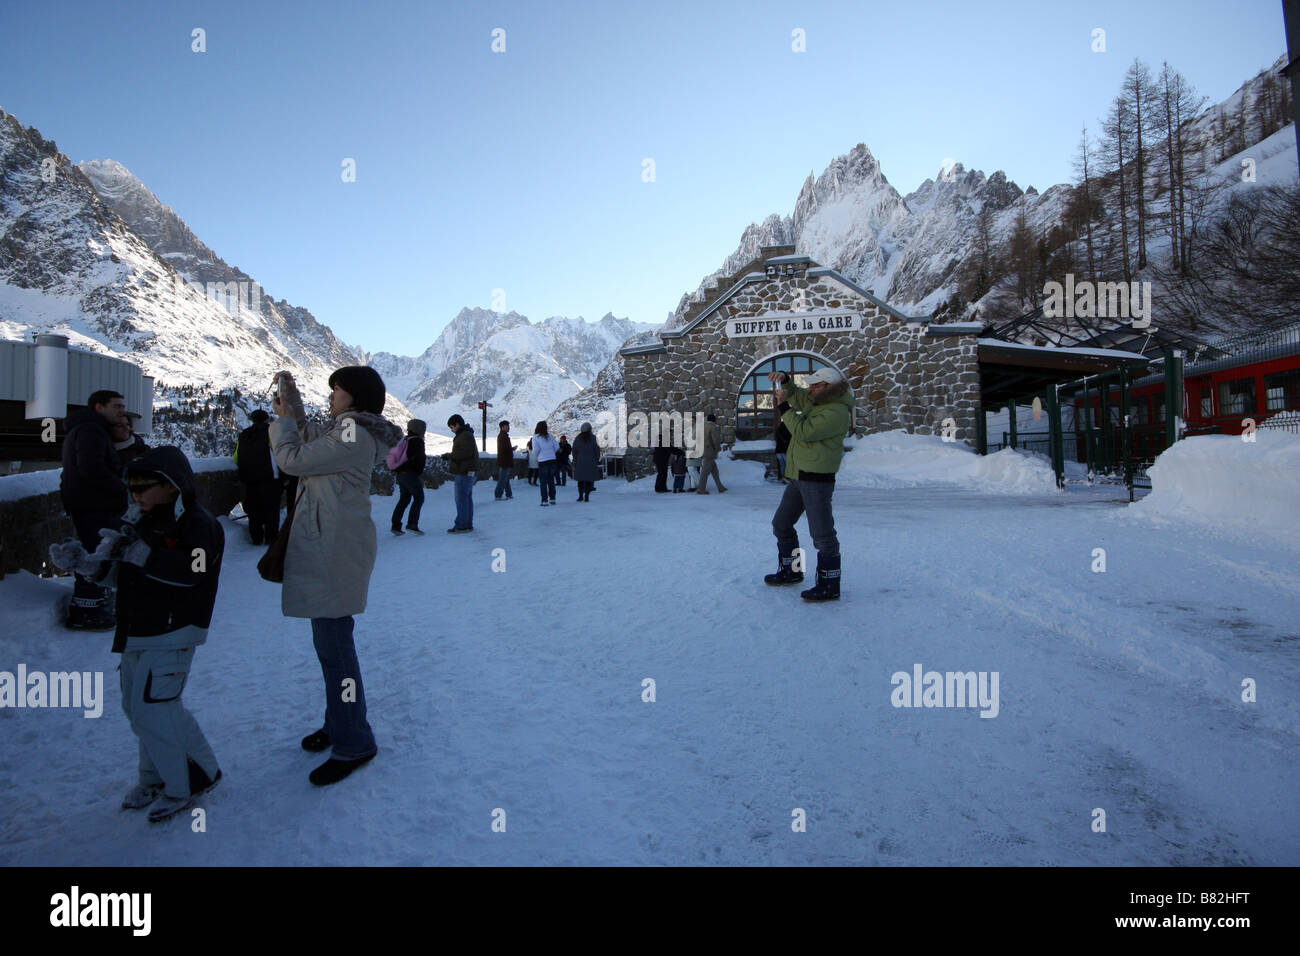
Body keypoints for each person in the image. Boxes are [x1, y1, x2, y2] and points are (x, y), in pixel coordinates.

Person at [48, 446, 225, 822]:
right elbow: (126, 577)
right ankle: (156, 777)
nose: (136, 494)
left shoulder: (198, 524)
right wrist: (88, 568)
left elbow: (194, 571)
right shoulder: (142, 524)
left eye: (145, 486)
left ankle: (187, 782)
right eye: (132, 487)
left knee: (155, 708)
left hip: (174, 629)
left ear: (173, 486)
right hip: (139, 630)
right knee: (139, 708)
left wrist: (140, 554)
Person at [270, 366, 403, 786]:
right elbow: (312, 442)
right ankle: (340, 721)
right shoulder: (345, 431)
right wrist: (290, 412)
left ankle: (354, 740)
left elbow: (291, 460)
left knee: (336, 648)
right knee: (330, 645)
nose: (331, 396)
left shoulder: (352, 435)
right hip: (331, 546)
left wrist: (286, 424)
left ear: (356, 398)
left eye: (337, 390)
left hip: (334, 550)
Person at [763, 367, 853, 601]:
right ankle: (792, 571)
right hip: (799, 476)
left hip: (817, 479)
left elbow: (803, 431)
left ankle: (829, 585)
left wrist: (784, 407)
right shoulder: (817, 401)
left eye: (815, 385)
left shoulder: (837, 411)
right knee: (781, 524)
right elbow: (797, 394)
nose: (810, 388)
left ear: (829, 387)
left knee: (822, 535)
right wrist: (785, 379)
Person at [59, 389, 129, 630]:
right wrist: (122, 488)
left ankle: (93, 606)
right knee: (94, 555)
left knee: (96, 553)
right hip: (94, 505)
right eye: (116, 406)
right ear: (98, 407)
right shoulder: (90, 431)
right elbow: (91, 468)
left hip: (89, 503)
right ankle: (86, 612)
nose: (121, 410)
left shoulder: (88, 429)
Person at [234, 409, 283, 546]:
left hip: (249, 480)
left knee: (254, 511)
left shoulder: (244, 435)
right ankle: (271, 538)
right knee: (272, 510)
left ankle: (256, 538)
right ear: (267, 419)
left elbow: (236, 458)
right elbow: (281, 453)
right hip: (270, 478)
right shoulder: (272, 433)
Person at [390, 418, 427, 535]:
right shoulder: (417, 441)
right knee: (419, 497)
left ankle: (396, 526)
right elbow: (417, 458)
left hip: (400, 473)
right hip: (410, 474)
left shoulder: (406, 439)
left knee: (404, 499)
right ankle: (412, 524)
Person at [443, 413, 478, 532]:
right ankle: (467, 523)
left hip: (463, 471)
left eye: (452, 427)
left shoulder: (464, 435)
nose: (452, 430)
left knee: (461, 499)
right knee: (466, 498)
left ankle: (462, 524)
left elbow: (465, 453)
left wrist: (449, 456)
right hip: (468, 471)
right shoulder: (467, 434)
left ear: (457, 424)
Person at [695, 413, 727, 494]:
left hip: (703, 450)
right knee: (705, 472)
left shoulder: (702, 427)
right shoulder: (713, 427)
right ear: (714, 420)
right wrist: (717, 448)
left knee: (715, 471)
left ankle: (720, 487)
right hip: (710, 451)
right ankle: (701, 489)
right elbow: (715, 439)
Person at [571, 422, 601, 502]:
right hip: (591, 461)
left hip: (580, 461)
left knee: (580, 480)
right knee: (588, 479)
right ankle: (587, 496)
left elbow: (574, 450)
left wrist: (575, 458)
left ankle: (580, 496)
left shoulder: (578, 438)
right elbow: (597, 450)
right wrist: (597, 459)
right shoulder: (593, 438)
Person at [532, 421, 559, 506]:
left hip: (543, 461)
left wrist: (538, 455)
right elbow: (557, 447)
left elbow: (536, 450)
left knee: (543, 482)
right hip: (552, 460)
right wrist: (551, 453)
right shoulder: (550, 436)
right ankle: (553, 498)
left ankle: (544, 500)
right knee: (551, 480)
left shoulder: (536, 438)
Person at [495, 420, 515, 501]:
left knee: (505, 478)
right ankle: (498, 495)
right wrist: (511, 449)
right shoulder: (503, 436)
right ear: (502, 427)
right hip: (505, 461)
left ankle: (509, 494)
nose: (508, 428)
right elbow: (503, 449)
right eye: (507, 426)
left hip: (504, 460)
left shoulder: (503, 436)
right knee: (502, 479)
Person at [774, 419, 791, 484]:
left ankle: (782, 477)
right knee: (787, 464)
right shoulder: (787, 432)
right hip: (784, 451)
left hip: (778, 451)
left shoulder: (777, 432)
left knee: (782, 465)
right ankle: (787, 477)